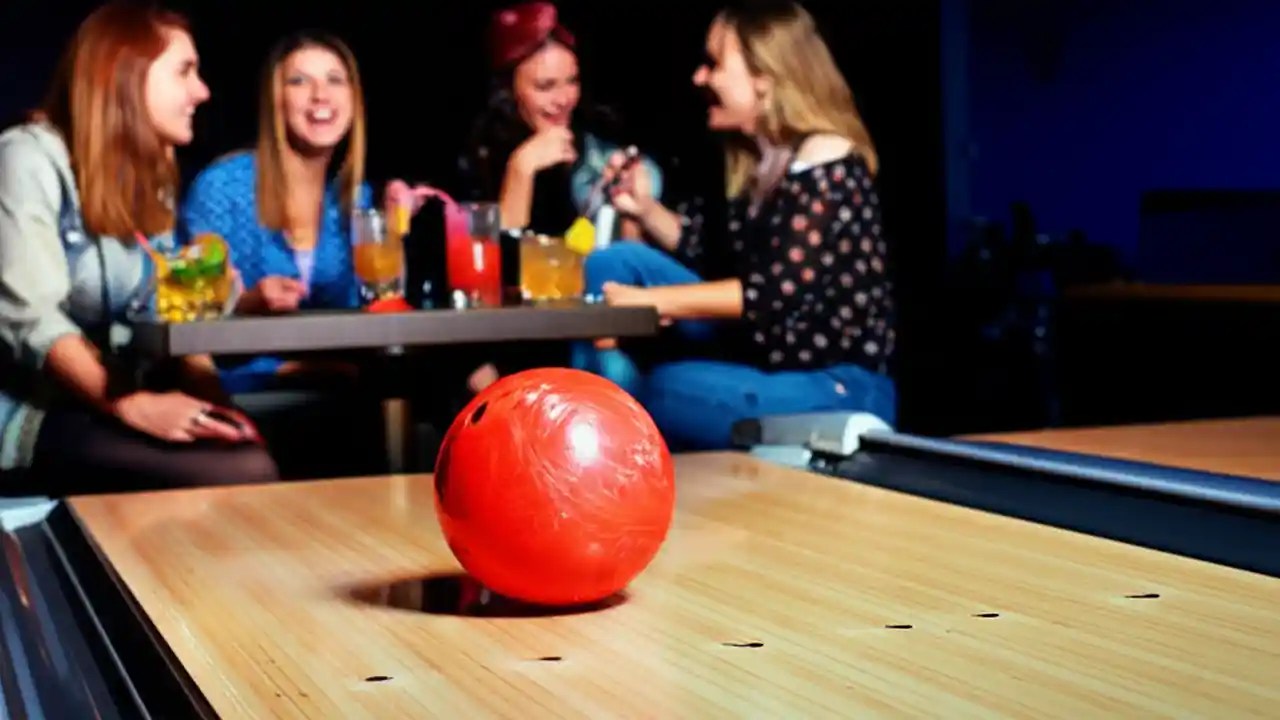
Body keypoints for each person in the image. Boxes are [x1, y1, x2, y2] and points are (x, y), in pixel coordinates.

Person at [576, 1, 898, 450]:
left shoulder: (827, 161)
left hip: (834, 385)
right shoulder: (761, 161)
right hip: (764, 362)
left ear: (765, 76)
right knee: (616, 260)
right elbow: (700, 245)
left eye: (714, 65)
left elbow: (771, 295)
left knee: (666, 387)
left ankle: (612, 441)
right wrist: (644, 207)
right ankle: (604, 426)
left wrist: (652, 301)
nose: (699, 78)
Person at [0, 1, 279, 493]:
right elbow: (31, 318)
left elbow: (165, 314)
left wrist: (219, 405)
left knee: (248, 453)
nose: (202, 90)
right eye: (185, 71)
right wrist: (127, 402)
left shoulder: (149, 184)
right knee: (243, 472)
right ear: (124, 73)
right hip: (29, 414)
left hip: (105, 403)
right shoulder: (26, 158)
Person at [179, 30, 430, 395]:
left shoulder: (357, 200)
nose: (321, 95)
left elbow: (381, 314)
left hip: (340, 391)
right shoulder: (222, 187)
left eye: (335, 80)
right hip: (241, 391)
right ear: (275, 100)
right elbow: (192, 315)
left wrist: (392, 231)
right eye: (299, 81)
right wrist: (250, 302)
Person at [457, 0, 664, 240]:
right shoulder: (481, 150)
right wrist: (521, 169)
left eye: (572, 81)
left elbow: (623, 260)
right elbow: (484, 257)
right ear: (509, 90)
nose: (564, 99)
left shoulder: (598, 154)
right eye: (545, 86)